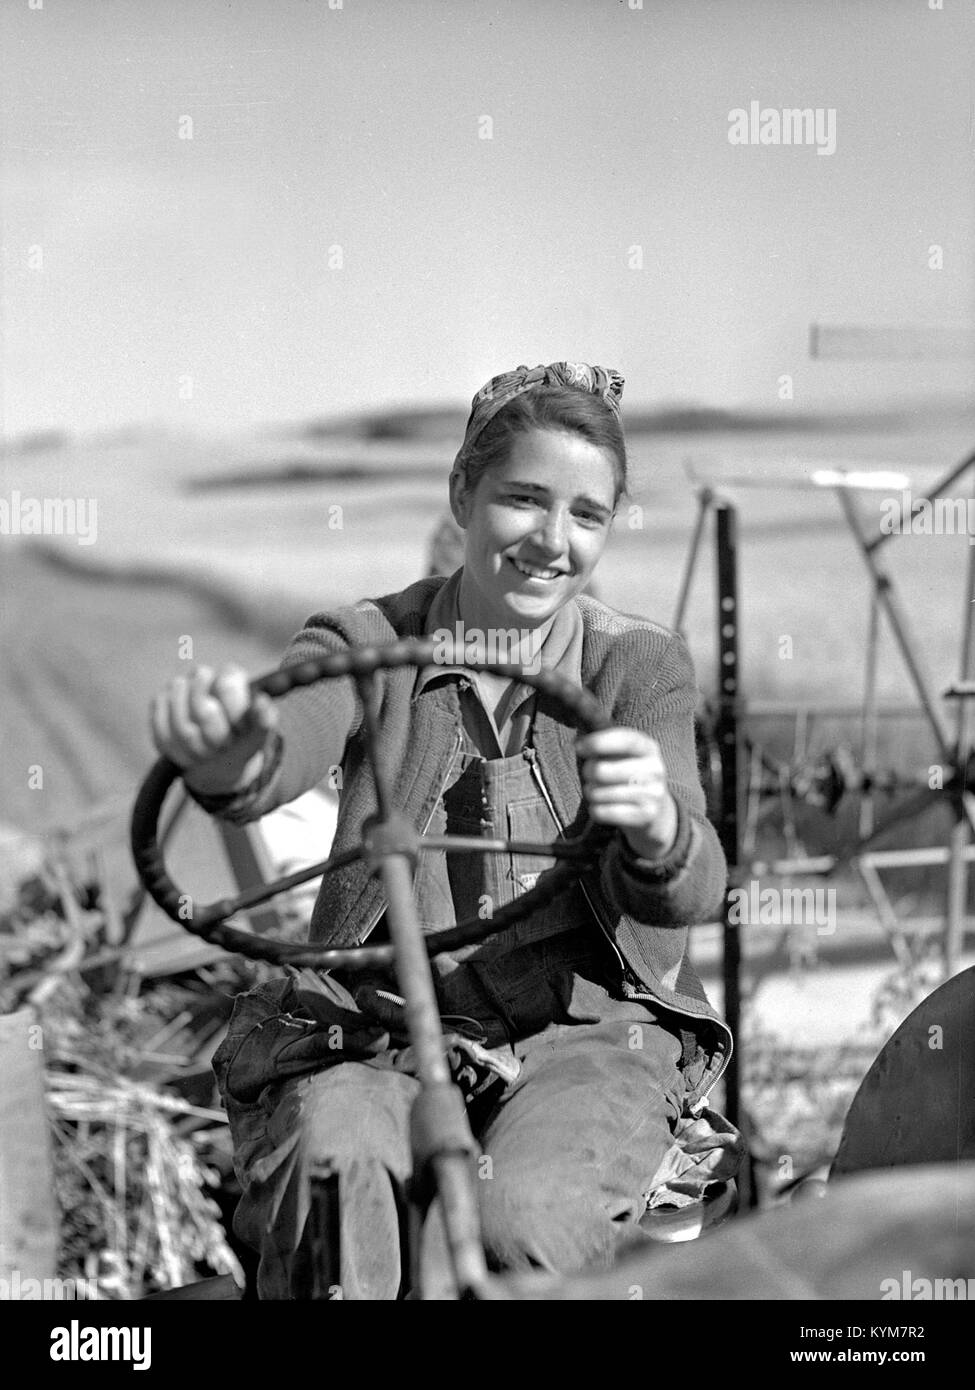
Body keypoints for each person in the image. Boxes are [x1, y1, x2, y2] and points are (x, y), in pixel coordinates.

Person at [149, 360, 736, 1300]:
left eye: (586, 515)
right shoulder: (362, 642)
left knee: (522, 1226)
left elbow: (690, 886)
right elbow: (283, 745)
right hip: (374, 1032)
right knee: (345, 1192)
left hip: (583, 1036)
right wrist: (233, 755)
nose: (552, 542)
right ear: (463, 492)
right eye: (524, 500)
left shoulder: (637, 666)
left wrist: (658, 828)